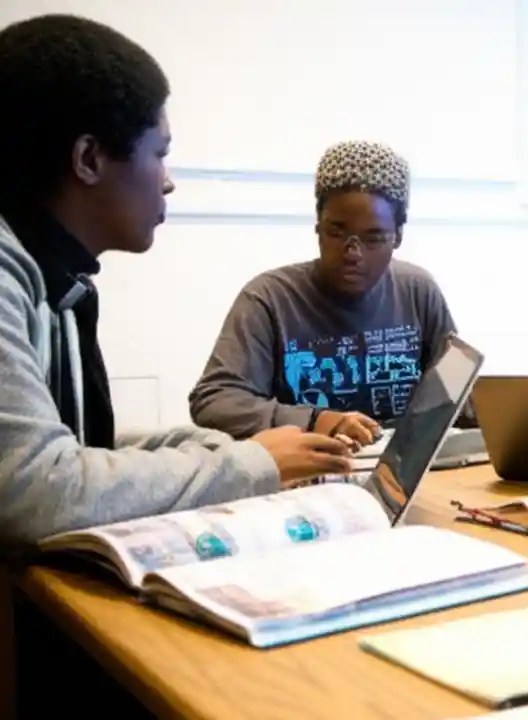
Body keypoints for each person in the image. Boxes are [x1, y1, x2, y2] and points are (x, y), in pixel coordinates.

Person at [0, 14, 351, 547]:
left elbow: (80, 446)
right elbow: (38, 487)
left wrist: (221, 451)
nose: (168, 181)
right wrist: (248, 464)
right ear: (89, 158)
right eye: (159, 153)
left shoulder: (55, 278)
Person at [188, 140, 460, 446]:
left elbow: (454, 392)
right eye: (337, 233)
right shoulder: (270, 299)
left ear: (397, 236)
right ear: (317, 226)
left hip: (399, 474)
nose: (353, 253)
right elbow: (214, 400)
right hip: (303, 476)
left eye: (373, 238)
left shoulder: (417, 291)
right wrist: (316, 421)